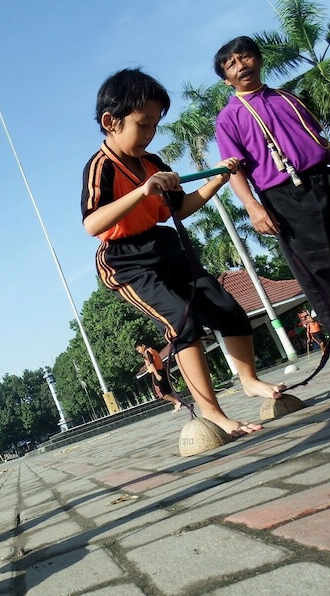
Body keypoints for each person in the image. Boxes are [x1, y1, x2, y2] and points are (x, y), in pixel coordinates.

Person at [81, 68, 284, 437]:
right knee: (181, 322)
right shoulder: (101, 167)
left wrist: (217, 179)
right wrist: (142, 192)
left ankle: (250, 381)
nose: (149, 134)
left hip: (166, 246)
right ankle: (214, 414)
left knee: (226, 308)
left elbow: (184, 206)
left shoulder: (154, 163)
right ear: (111, 122)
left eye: (155, 126)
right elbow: (92, 225)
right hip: (124, 260)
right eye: (143, 125)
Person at [213, 36, 330, 369]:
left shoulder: (287, 98)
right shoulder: (229, 118)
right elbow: (234, 171)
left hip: (329, 183)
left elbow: (317, 141)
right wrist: (253, 207)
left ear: (259, 61)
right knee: (321, 273)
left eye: (245, 57)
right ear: (226, 79)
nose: (241, 65)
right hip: (286, 196)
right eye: (232, 64)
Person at [135, 342, 184, 412]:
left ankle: (177, 402)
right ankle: (176, 405)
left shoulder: (147, 353)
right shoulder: (153, 351)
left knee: (159, 393)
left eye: (139, 349)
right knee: (167, 390)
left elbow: (152, 364)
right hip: (162, 371)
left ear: (143, 346)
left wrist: (157, 375)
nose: (139, 351)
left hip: (157, 372)